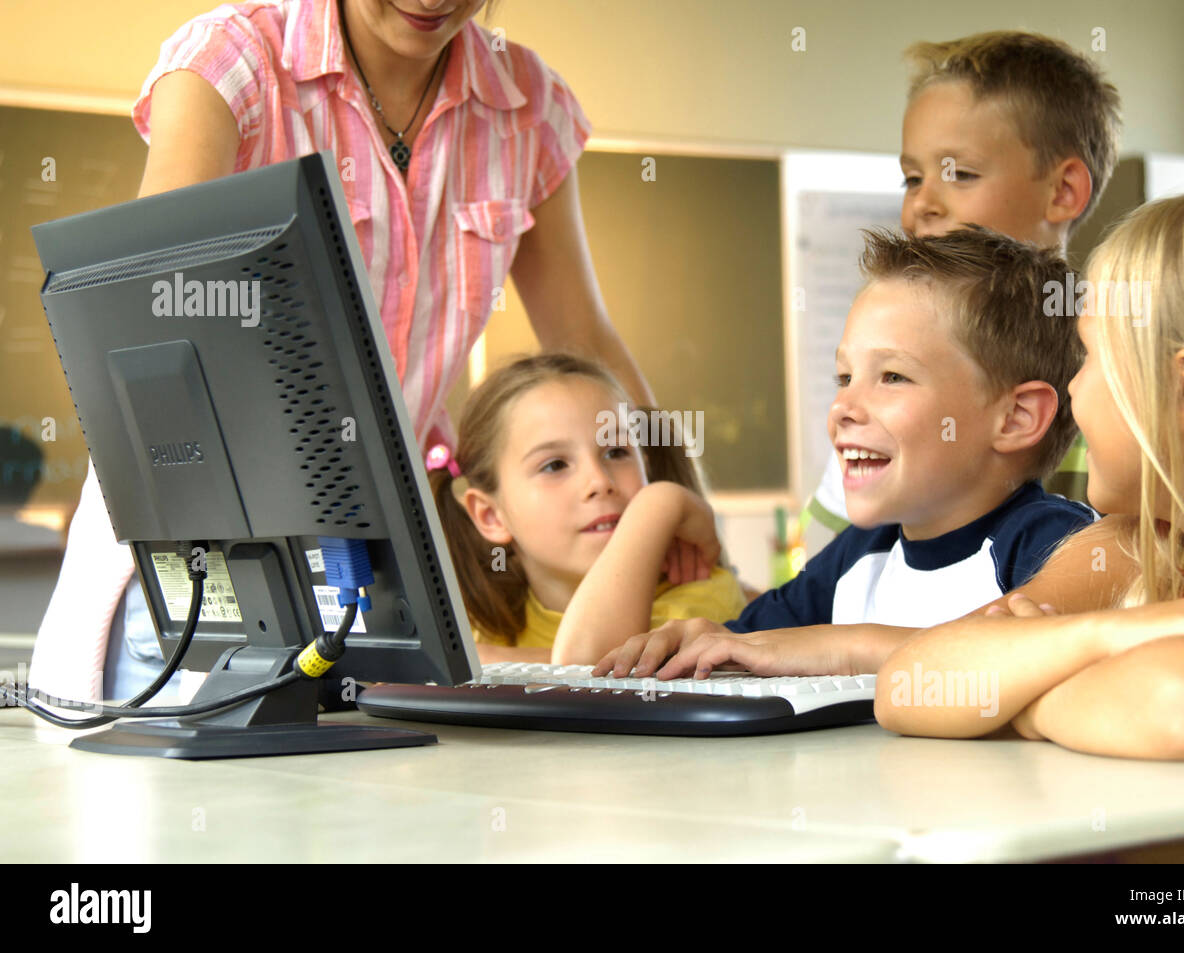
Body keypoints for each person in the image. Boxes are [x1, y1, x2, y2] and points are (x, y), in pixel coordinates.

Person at [29, 0, 654, 704]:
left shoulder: (527, 107)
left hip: (380, 557)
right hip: (208, 558)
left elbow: (583, 338)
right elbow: (148, 324)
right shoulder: (232, 61)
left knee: (361, 806)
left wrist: (673, 498)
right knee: (194, 805)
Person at [874, 183, 1184, 760]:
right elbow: (911, 682)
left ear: (1183, 389)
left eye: (1091, 355)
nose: (1072, 388)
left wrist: (1021, 696)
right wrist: (1109, 634)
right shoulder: (1143, 547)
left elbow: (1181, 703)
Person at [595, 227, 1094, 679]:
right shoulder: (858, 553)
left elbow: (1023, 649)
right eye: (844, 378)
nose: (842, 407)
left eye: (893, 376)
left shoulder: (1057, 543)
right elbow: (751, 644)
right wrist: (706, 640)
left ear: (1017, 418)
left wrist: (837, 648)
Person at [803, 30, 1121, 539]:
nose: (922, 204)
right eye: (912, 178)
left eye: (961, 174)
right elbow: (823, 580)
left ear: (1063, 191)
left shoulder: (1117, 381)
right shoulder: (876, 410)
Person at [428, 352, 747, 665]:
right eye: (554, 465)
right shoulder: (481, 624)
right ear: (491, 516)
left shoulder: (700, 600)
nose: (599, 481)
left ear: (646, 469)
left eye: (617, 452)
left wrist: (660, 502)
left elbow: (603, 676)